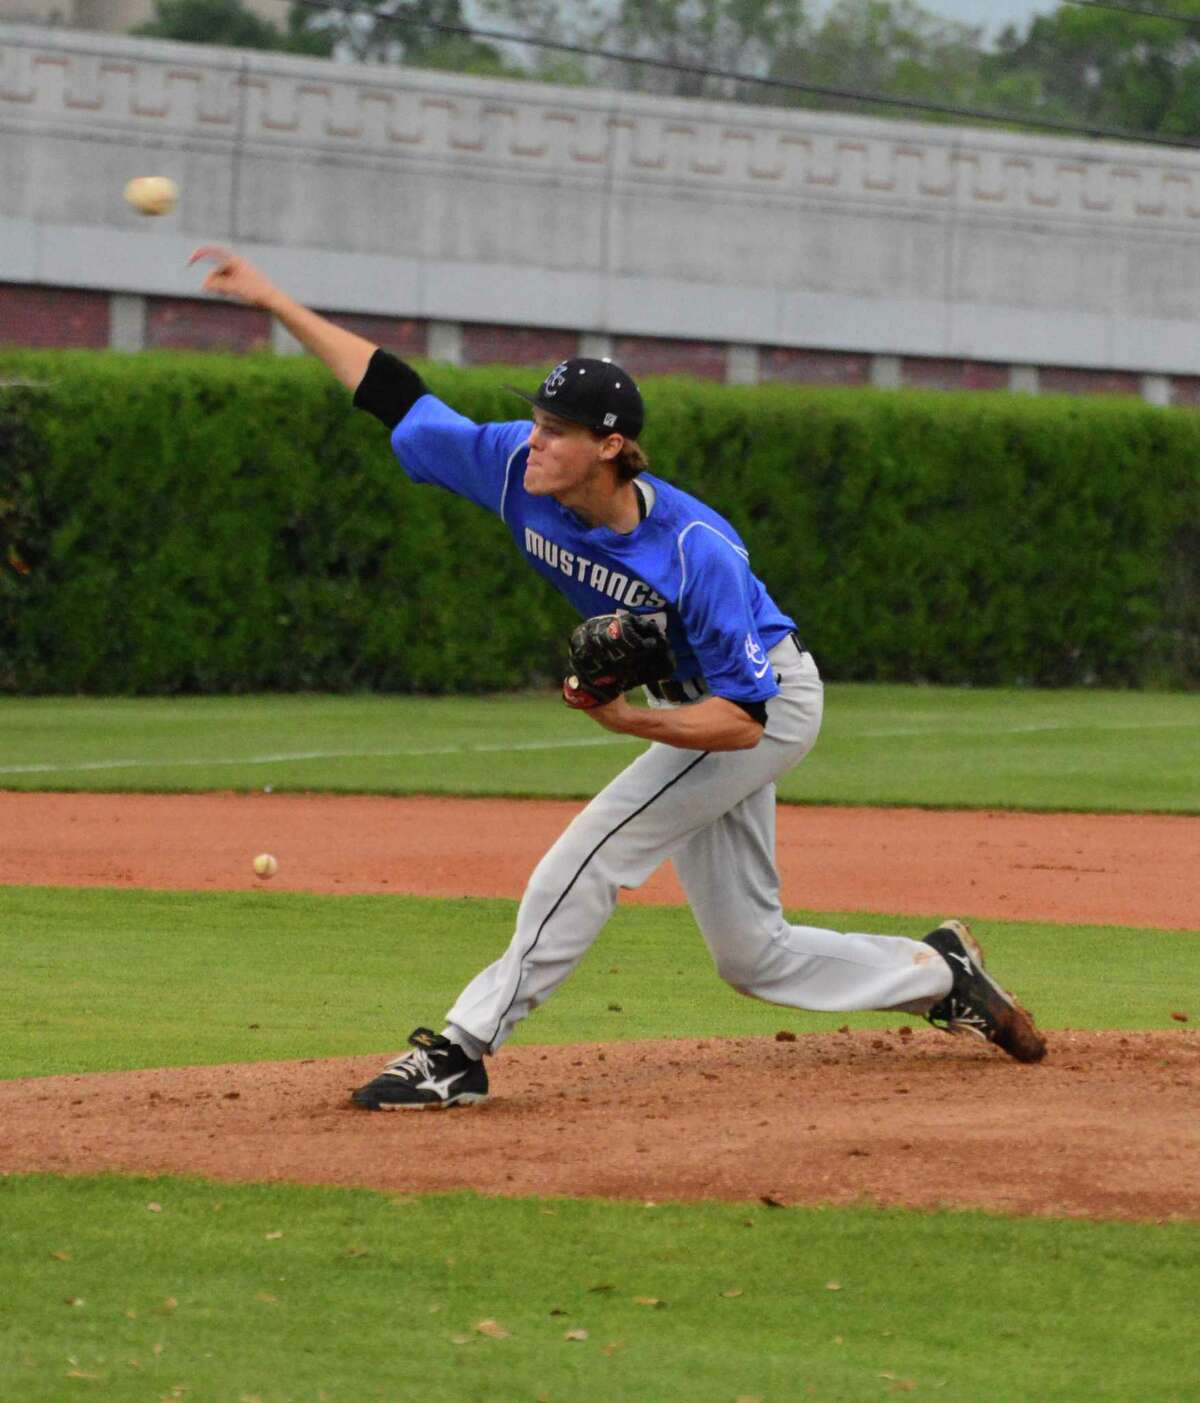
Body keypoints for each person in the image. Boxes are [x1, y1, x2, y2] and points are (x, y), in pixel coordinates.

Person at [189, 245, 1047, 1109]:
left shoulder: (692, 550)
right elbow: (394, 394)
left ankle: (461, 1049)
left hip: (761, 702)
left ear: (610, 447)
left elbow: (744, 720)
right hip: (699, 704)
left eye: (555, 430)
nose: (535, 439)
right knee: (751, 955)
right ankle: (941, 973)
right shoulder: (511, 469)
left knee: (593, 852)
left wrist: (626, 723)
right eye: (535, 420)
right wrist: (274, 300)